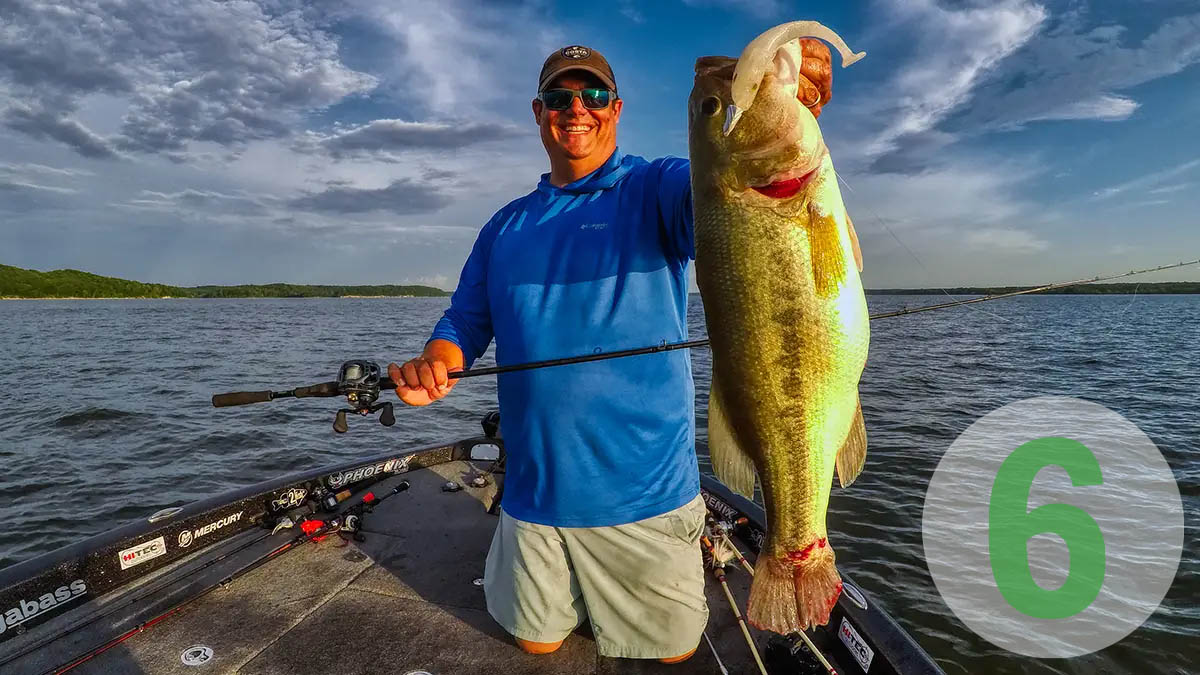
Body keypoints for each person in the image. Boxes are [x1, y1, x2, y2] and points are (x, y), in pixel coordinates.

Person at [390, 41, 834, 663]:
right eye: (560, 96)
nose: (578, 108)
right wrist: (436, 361)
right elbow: (464, 321)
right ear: (539, 112)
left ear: (616, 109)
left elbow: (729, 196)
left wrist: (791, 107)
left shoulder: (656, 187)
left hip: (646, 494)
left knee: (673, 655)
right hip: (535, 496)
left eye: (594, 94)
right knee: (536, 645)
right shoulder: (503, 227)